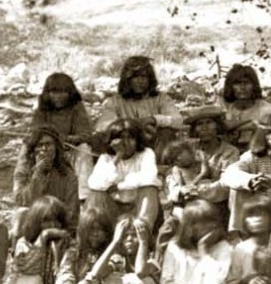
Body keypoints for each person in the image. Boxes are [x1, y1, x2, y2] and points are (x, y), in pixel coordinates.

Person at [163, 104, 238, 222]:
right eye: (199, 124)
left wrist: (196, 191)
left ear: (217, 125)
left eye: (209, 122)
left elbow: (226, 184)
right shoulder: (187, 147)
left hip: (215, 203)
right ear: (194, 129)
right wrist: (180, 191)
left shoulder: (230, 152)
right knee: (175, 219)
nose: (204, 128)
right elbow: (171, 174)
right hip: (184, 199)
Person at [87, 119, 161, 235]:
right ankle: (102, 234)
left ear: (137, 140)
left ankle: (142, 232)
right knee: (96, 193)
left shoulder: (146, 153)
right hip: (113, 208)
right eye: (121, 138)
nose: (126, 143)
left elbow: (149, 177)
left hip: (138, 206)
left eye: (130, 138)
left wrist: (119, 186)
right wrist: (118, 156)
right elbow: (95, 184)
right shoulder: (106, 158)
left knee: (149, 189)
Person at [30, 71, 94, 203]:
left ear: (70, 93)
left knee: (84, 149)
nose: (58, 97)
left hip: (70, 150)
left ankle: (83, 196)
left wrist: (70, 139)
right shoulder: (42, 110)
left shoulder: (77, 108)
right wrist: (53, 140)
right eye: (54, 92)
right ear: (47, 93)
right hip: (48, 150)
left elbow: (86, 134)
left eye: (62, 92)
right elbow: (36, 133)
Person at [98, 55, 181, 152]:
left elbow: (178, 120)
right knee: (99, 138)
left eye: (144, 76)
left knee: (166, 133)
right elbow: (102, 126)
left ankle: (160, 161)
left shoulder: (161, 98)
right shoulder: (115, 101)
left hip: (153, 144)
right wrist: (130, 126)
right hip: (127, 147)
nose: (140, 81)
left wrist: (154, 119)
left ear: (150, 79)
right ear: (127, 80)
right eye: (135, 77)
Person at [12, 128, 79, 221]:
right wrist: (38, 173)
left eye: (48, 144)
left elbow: (72, 210)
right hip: (31, 220)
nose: (44, 149)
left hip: (57, 221)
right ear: (33, 150)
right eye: (40, 145)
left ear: (56, 148)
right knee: (21, 213)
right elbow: (20, 201)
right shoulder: (23, 171)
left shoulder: (67, 175)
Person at [220, 64, 271, 150]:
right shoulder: (226, 108)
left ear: (254, 86)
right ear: (231, 86)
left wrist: (235, 127)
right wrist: (248, 123)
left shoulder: (265, 108)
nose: (242, 87)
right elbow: (222, 127)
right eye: (237, 83)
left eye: (246, 83)